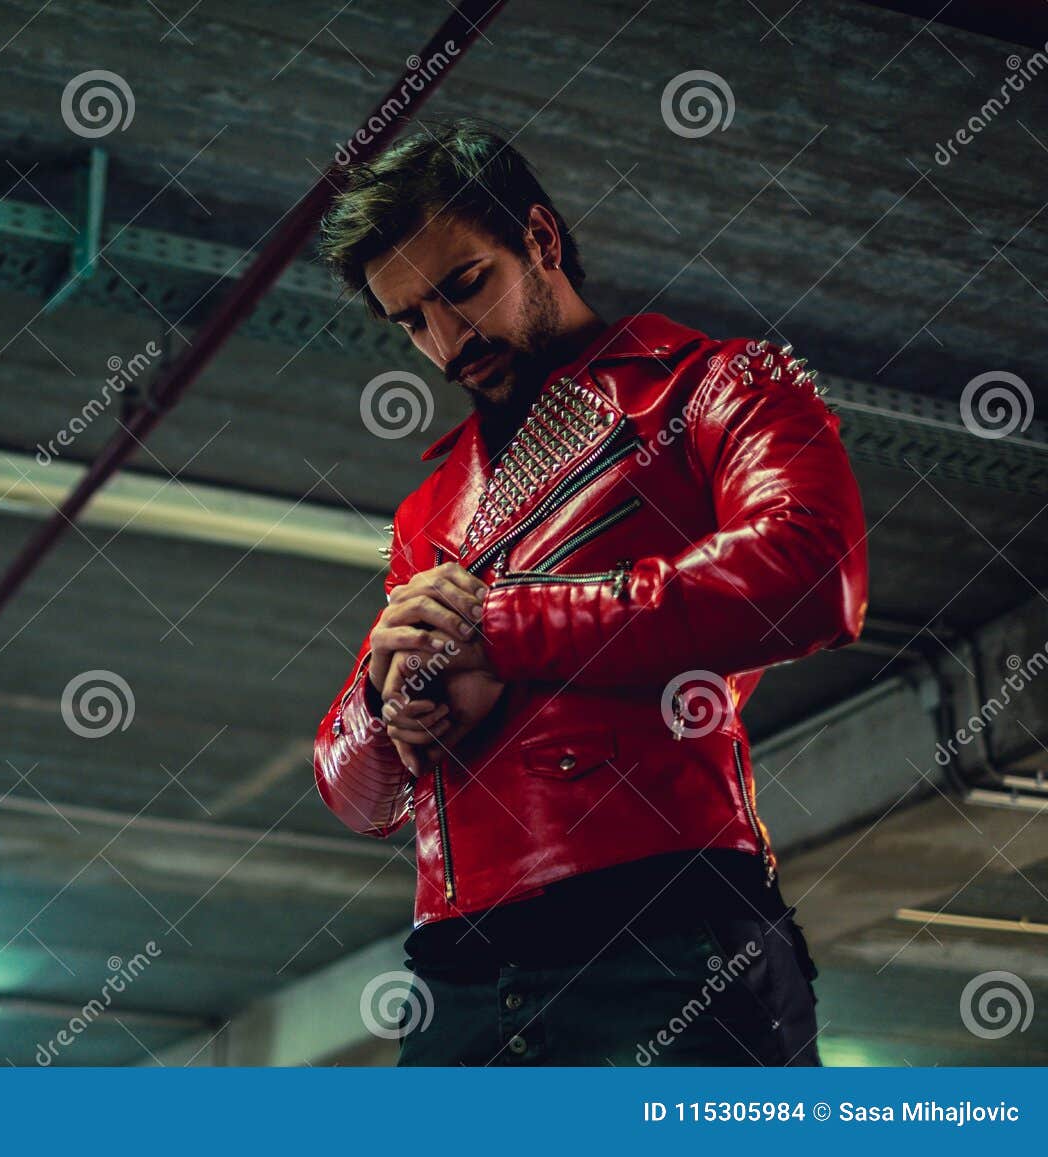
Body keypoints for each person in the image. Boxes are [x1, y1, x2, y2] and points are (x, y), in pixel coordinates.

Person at [310, 119, 869, 1066]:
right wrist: (385, 704)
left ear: (540, 237)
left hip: (667, 934)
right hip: (456, 975)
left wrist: (503, 626)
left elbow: (814, 571)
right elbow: (356, 795)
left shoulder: (717, 385)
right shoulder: (427, 512)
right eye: (411, 320)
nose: (447, 340)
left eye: (466, 285)